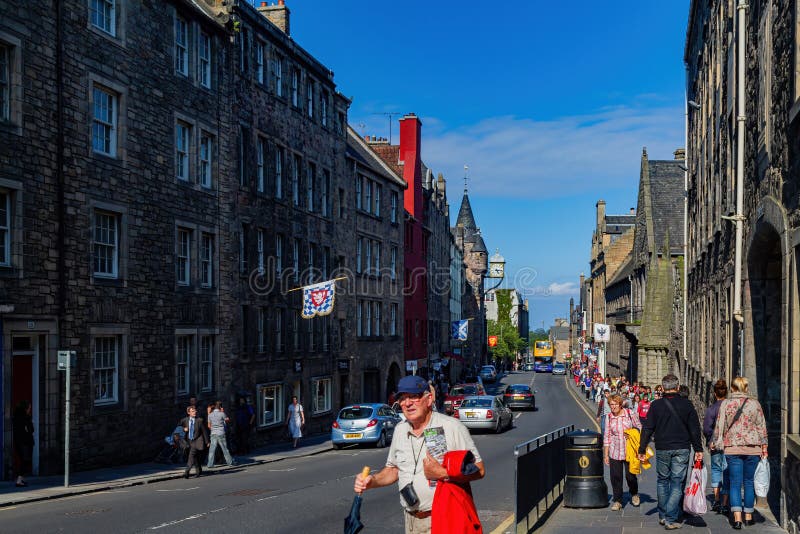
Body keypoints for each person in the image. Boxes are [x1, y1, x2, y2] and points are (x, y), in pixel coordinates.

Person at [354, 375, 485, 534]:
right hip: (411, 520)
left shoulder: (452, 427)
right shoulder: (400, 430)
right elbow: (394, 469)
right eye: (402, 398)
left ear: (428, 399)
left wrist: (443, 473)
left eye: (413, 397)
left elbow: (479, 470)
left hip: (443, 519)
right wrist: (372, 481)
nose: (407, 403)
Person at [637, 374, 703, 530]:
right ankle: (670, 517)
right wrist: (698, 449)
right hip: (681, 448)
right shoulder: (687, 405)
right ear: (678, 387)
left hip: (662, 448)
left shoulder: (655, 406)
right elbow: (694, 429)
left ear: (663, 387)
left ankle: (662, 515)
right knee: (676, 483)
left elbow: (647, 428)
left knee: (662, 481)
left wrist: (642, 448)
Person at [711, 376, 768, 530]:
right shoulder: (755, 404)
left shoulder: (726, 404)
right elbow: (761, 426)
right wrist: (764, 446)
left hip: (733, 448)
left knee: (735, 483)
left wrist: (716, 442)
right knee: (749, 482)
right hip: (752, 448)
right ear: (746, 388)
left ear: (733, 388)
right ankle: (748, 516)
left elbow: (719, 426)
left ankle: (737, 519)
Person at [603, 394, 642, 510]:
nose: (613, 406)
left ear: (620, 404)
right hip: (615, 452)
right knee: (615, 477)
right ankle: (618, 501)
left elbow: (640, 427)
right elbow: (607, 436)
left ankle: (634, 494)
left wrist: (633, 433)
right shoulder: (609, 417)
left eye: (615, 404)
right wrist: (606, 454)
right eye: (611, 404)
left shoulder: (630, 414)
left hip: (629, 451)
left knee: (630, 476)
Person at [703, 379, 728, 514]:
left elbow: (707, 428)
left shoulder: (712, 409)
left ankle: (717, 500)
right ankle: (725, 502)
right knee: (727, 472)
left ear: (714, 394)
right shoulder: (731, 407)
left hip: (715, 444)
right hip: (729, 445)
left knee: (717, 471)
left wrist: (710, 440)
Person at [181, 405, 209, 478]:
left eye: (195, 411)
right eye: (193, 411)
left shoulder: (199, 420)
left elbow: (204, 431)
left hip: (197, 441)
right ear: (188, 412)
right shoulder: (184, 420)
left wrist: (207, 442)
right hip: (188, 441)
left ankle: (187, 472)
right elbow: (179, 428)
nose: (195, 412)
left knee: (191, 456)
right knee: (195, 457)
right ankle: (199, 471)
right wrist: (184, 429)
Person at [12, 400, 34, 488]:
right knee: (25, 461)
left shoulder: (15, 417)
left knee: (22, 460)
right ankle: (19, 480)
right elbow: (31, 429)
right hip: (26, 442)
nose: (30, 409)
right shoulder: (26, 417)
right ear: (25, 408)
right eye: (29, 408)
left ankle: (22, 479)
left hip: (17, 442)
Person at [207, 401, 235, 468]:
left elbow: (208, 425)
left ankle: (210, 464)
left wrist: (213, 429)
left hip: (213, 433)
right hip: (221, 433)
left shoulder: (210, 415)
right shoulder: (222, 413)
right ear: (220, 407)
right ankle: (230, 462)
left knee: (212, 449)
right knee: (224, 449)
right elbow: (227, 420)